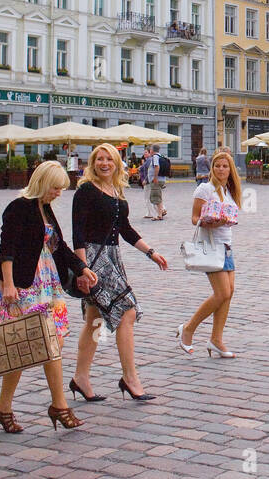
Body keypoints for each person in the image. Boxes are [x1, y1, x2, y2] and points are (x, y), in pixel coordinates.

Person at [0, 160, 99, 433]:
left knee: (49, 343)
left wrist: (82, 268)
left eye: (61, 189)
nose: (58, 193)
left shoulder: (45, 209)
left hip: (48, 284)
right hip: (24, 284)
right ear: (42, 182)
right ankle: (56, 406)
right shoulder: (19, 207)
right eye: (55, 188)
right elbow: (7, 248)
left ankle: (6, 408)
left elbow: (59, 249)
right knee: (29, 346)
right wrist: (10, 284)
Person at [70, 143, 169, 402]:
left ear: (116, 163)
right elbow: (77, 233)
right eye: (99, 159)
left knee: (95, 318)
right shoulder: (85, 191)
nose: (104, 163)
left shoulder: (116, 190)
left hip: (113, 257)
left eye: (109, 159)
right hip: (92, 259)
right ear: (92, 163)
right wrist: (82, 269)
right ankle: (130, 377)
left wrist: (150, 252)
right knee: (127, 310)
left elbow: (124, 229)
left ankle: (80, 378)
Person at [177, 147, 243, 358]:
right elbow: (195, 218)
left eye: (225, 166)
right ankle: (188, 329)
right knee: (222, 293)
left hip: (226, 246)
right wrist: (209, 222)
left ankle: (216, 339)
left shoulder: (229, 191)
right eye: (217, 165)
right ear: (212, 168)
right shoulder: (205, 189)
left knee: (228, 294)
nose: (221, 169)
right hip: (211, 245)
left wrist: (225, 221)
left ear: (230, 169)